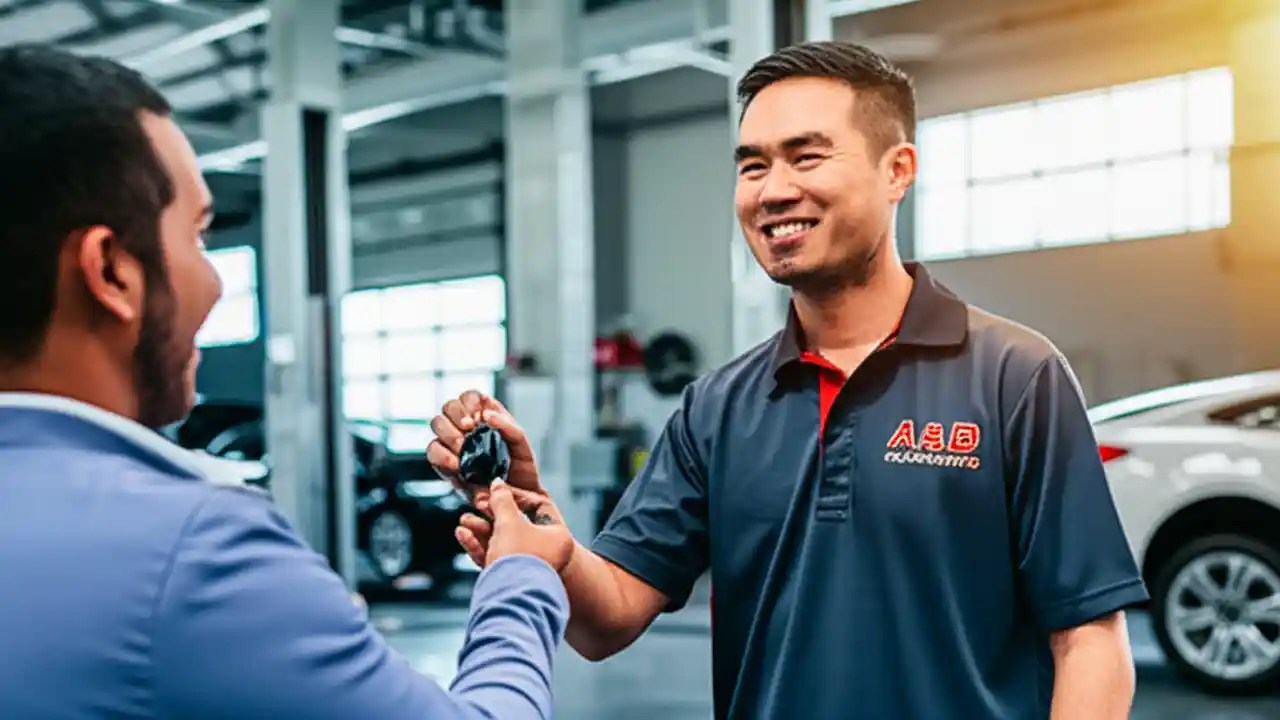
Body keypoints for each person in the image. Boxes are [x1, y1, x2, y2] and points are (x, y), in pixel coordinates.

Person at [430, 41, 1149, 719]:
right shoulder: (718, 408)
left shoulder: (1014, 377)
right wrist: (547, 537)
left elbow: (1088, 637)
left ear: (897, 170)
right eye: (752, 166)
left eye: (806, 158)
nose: (774, 191)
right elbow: (606, 618)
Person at [0, 44, 573, 719]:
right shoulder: (197, 553)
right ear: (112, 272)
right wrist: (521, 579)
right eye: (201, 236)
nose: (214, 283)